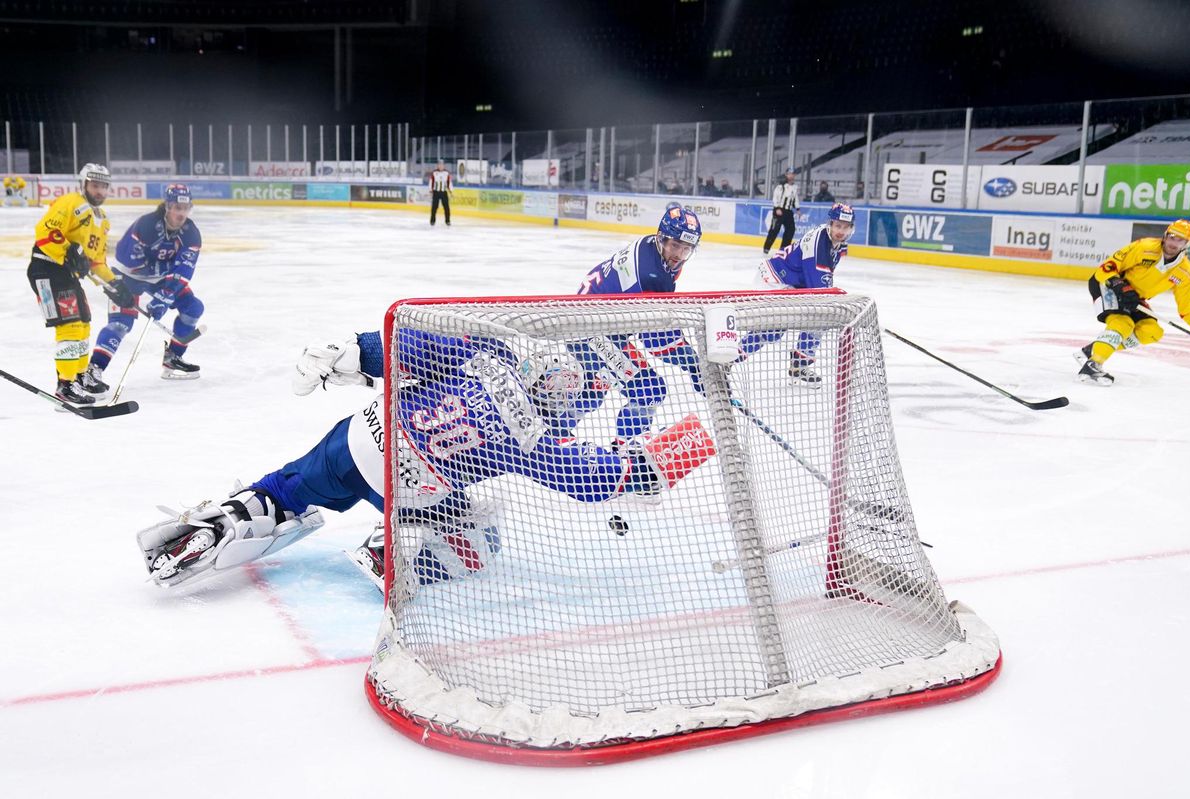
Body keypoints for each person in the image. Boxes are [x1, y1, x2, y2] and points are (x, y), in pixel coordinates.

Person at [136, 329, 715, 589]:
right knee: (483, 532)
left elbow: (408, 342)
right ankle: (396, 551)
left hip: (358, 438)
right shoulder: (534, 437)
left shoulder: (489, 349)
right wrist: (643, 468)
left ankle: (236, 516)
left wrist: (346, 352)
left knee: (289, 486)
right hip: (406, 486)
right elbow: (586, 476)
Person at [574, 202, 706, 445]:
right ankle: (624, 454)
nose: (678, 254)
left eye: (686, 248)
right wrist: (695, 365)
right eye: (675, 245)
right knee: (649, 390)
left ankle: (553, 431)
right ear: (661, 238)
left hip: (595, 327)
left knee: (593, 390)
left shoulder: (655, 250)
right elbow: (656, 339)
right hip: (590, 332)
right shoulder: (651, 274)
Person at [24, 163, 135, 404]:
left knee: (83, 323)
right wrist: (69, 249)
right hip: (47, 267)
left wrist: (116, 284)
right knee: (71, 326)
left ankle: (80, 376)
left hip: (66, 274)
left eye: (104, 186)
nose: (99, 191)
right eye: (95, 185)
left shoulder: (102, 220)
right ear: (83, 184)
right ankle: (65, 385)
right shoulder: (71, 202)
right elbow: (44, 231)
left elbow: (95, 262)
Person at [90, 183, 204, 382]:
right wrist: (163, 275)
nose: (181, 214)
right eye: (177, 208)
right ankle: (93, 370)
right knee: (120, 325)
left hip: (158, 280)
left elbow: (185, 268)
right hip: (126, 278)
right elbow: (128, 260)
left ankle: (173, 357)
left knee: (193, 308)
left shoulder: (191, 233)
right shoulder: (147, 225)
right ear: (167, 206)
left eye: (185, 209)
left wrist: (166, 294)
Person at [739, 202, 856, 387]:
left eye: (846, 227)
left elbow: (820, 285)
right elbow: (818, 290)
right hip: (774, 278)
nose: (841, 230)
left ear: (851, 228)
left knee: (816, 319)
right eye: (838, 225)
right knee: (776, 328)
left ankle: (799, 365)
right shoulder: (819, 243)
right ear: (830, 224)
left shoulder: (837, 245)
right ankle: (732, 357)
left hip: (791, 282)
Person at [1075, 218, 1190, 386]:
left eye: (1180, 240)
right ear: (1165, 235)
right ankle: (1093, 364)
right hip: (1107, 284)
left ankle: (1094, 349)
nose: (1173, 242)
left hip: (1135, 298)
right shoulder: (1145, 247)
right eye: (1171, 236)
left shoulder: (1187, 274)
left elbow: (1189, 308)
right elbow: (1107, 268)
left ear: (1187, 244)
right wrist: (1119, 285)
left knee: (1151, 331)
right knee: (1123, 324)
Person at [763, 170, 800, 254]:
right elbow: (775, 197)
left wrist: (798, 209)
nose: (791, 176)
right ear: (786, 175)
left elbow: (795, 198)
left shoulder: (794, 187)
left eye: (793, 174)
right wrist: (777, 208)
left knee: (791, 229)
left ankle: (784, 249)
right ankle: (766, 247)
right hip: (779, 210)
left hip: (788, 211)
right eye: (790, 174)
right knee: (775, 229)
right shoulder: (781, 186)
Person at [430, 159, 452, 226]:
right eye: (439, 164)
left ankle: (447, 221)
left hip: (444, 192)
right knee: (434, 207)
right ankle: (432, 221)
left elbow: (449, 182)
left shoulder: (446, 173)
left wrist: (451, 191)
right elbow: (431, 182)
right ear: (437, 165)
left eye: (442, 164)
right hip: (436, 192)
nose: (440, 166)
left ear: (443, 165)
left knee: (446, 207)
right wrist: (430, 190)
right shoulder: (434, 173)